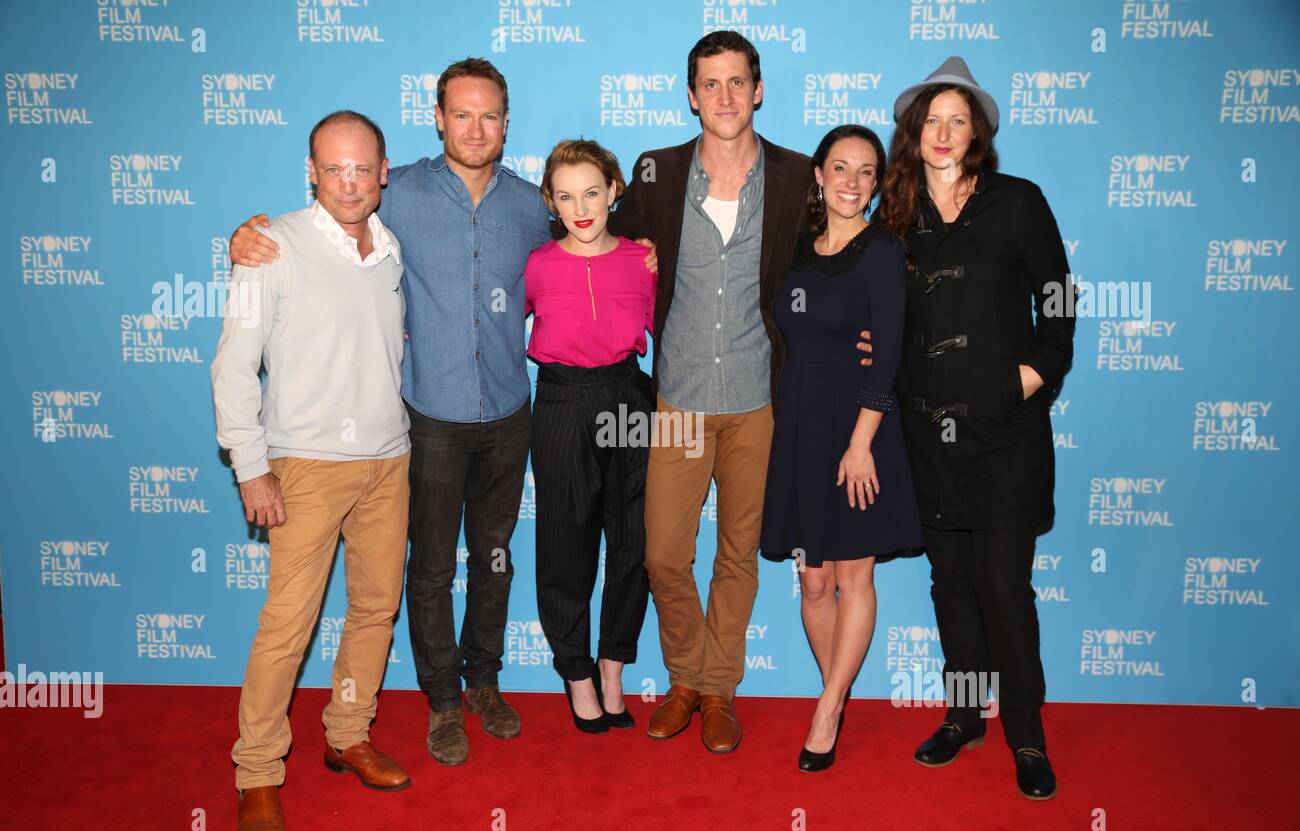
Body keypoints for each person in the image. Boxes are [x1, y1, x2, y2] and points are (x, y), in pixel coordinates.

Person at [228, 59, 552, 768]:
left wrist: (643, 253)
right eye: (460, 114)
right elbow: (300, 244)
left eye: (489, 115)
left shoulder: (533, 206)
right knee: (427, 571)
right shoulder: (392, 192)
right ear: (437, 118)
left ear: (506, 121)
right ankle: (440, 702)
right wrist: (242, 240)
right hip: (426, 419)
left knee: (491, 562)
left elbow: (589, 250)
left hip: (504, 414)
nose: (475, 128)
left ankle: (480, 683)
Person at [610, 30, 873, 753]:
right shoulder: (657, 172)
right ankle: (685, 675)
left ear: (757, 91)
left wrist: (869, 323)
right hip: (679, 402)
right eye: (710, 84)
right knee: (665, 553)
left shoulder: (795, 175)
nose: (725, 97)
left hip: (762, 399)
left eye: (737, 83)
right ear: (691, 96)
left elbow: (841, 250)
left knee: (738, 552)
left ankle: (717, 689)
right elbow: (590, 236)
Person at [862, 57, 1075, 799]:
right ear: (913, 134)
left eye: (959, 120)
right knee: (950, 585)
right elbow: (875, 312)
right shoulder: (895, 216)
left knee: (1002, 588)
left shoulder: (1017, 203)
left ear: (977, 133)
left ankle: (1025, 732)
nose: (944, 133)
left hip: (1006, 432)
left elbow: (1057, 299)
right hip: (927, 434)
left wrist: (1035, 374)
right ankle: (964, 716)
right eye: (932, 120)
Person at [212, 110, 411, 831]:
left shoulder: (391, 250)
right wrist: (251, 465)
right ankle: (257, 772)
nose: (351, 183)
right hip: (303, 465)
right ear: (311, 172)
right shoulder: (272, 247)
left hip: (390, 461)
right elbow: (232, 366)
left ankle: (346, 735)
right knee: (286, 626)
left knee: (372, 612)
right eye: (335, 169)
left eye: (363, 169)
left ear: (384, 171)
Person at [760, 125, 924, 772]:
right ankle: (839, 687)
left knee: (854, 575)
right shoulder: (796, 250)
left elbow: (884, 362)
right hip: (801, 428)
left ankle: (826, 709)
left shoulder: (882, 252)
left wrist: (861, 447)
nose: (852, 183)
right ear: (819, 177)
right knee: (812, 577)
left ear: (877, 183)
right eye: (840, 168)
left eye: (866, 171)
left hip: (861, 433)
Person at [526, 140, 657, 733]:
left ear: (613, 192)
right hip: (561, 400)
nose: (581, 207)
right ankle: (575, 670)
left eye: (592, 192)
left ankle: (612, 664)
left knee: (633, 541)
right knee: (565, 542)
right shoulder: (535, 264)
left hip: (628, 395)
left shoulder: (644, 261)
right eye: (566, 195)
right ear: (551, 202)